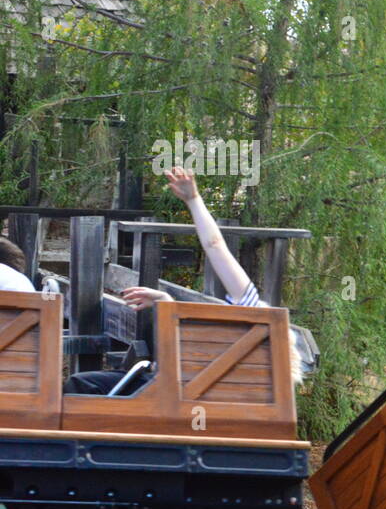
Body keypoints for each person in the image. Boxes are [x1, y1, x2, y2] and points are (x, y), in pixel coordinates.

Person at [67, 166, 306, 394]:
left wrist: (193, 200)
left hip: (174, 395)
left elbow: (215, 246)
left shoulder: (254, 313)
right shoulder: (262, 376)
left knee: (82, 386)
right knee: (86, 384)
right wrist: (167, 300)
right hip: (185, 394)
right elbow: (199, 350)